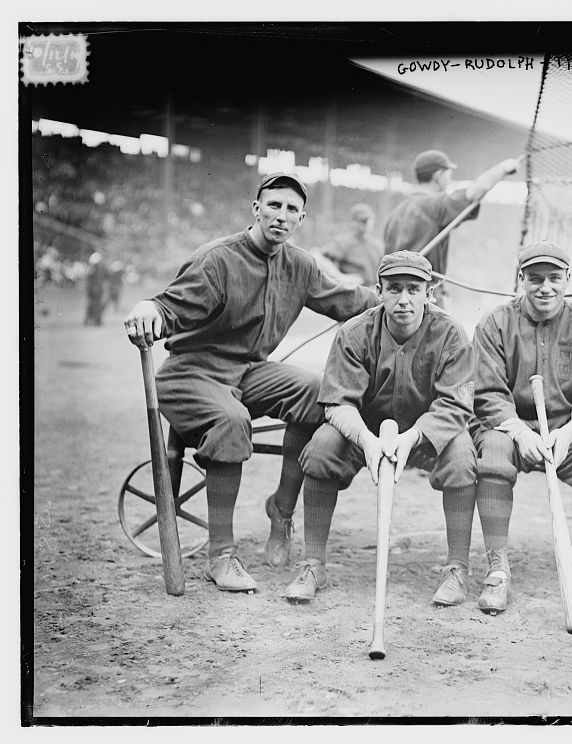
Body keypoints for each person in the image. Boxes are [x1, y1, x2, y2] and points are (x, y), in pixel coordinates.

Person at [123, 172, 378, 593]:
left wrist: (392, 295)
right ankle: (220, 556)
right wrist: (147, 306)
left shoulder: (301, 265)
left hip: (249, 371)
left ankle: (281, 509)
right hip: (191, 371)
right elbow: (168, 306)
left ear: (302, 218)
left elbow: (346, 301)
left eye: (291, 209)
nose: (281, 215)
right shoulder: (218, 258)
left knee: (319, 395)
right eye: (273, 205)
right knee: (230, 420)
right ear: (256, 208)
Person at [292, 251, 477, 603]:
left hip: (424, 435)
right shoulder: (355, 332)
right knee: (320, 449)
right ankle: (313, 563)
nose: (404, 299)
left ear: (429, 292)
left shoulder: (451, 334)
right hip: (366, 432)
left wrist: (412, 437)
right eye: (394, 289)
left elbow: (455, 404)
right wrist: (366, 439)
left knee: (462, 456)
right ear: (379, 290)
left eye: (413, 289)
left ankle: (457, 569)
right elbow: (338, 402)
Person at [471, 240, 572, 614]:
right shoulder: (495, 324)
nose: (545, 287)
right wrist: (520, 432)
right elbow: (487, 394)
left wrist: (569, 432)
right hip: (509, 427)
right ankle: (498, 570)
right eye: (536, 278)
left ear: (568, 279)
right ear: (520, 279)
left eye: (554, 278)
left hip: (566, 428)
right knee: (491, 454)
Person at [382, 149, 519, 307]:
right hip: (422, 296)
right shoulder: (435, 205)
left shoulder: (394, 214)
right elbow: (476, 191)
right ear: (438, 176)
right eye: (448, 174)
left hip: (394, 299)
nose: (450, 179)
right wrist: (503, 168)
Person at [320, 203, 383, 286]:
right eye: (363, 220)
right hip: (352, 291)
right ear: (353, 222)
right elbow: (320, 259)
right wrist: (340, 276)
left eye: (369, 220)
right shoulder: (344, 242)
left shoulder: (377, 246)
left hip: (373, 290)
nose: (367, 224)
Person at [83, 251, 107, 325]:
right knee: (95, 306)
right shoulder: (93, 269)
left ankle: (89, 321)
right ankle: (95, 321)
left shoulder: (94, 268)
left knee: (92, 306)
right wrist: (95, 288)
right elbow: (93, 280)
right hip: (94, 290)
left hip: (95, 290)